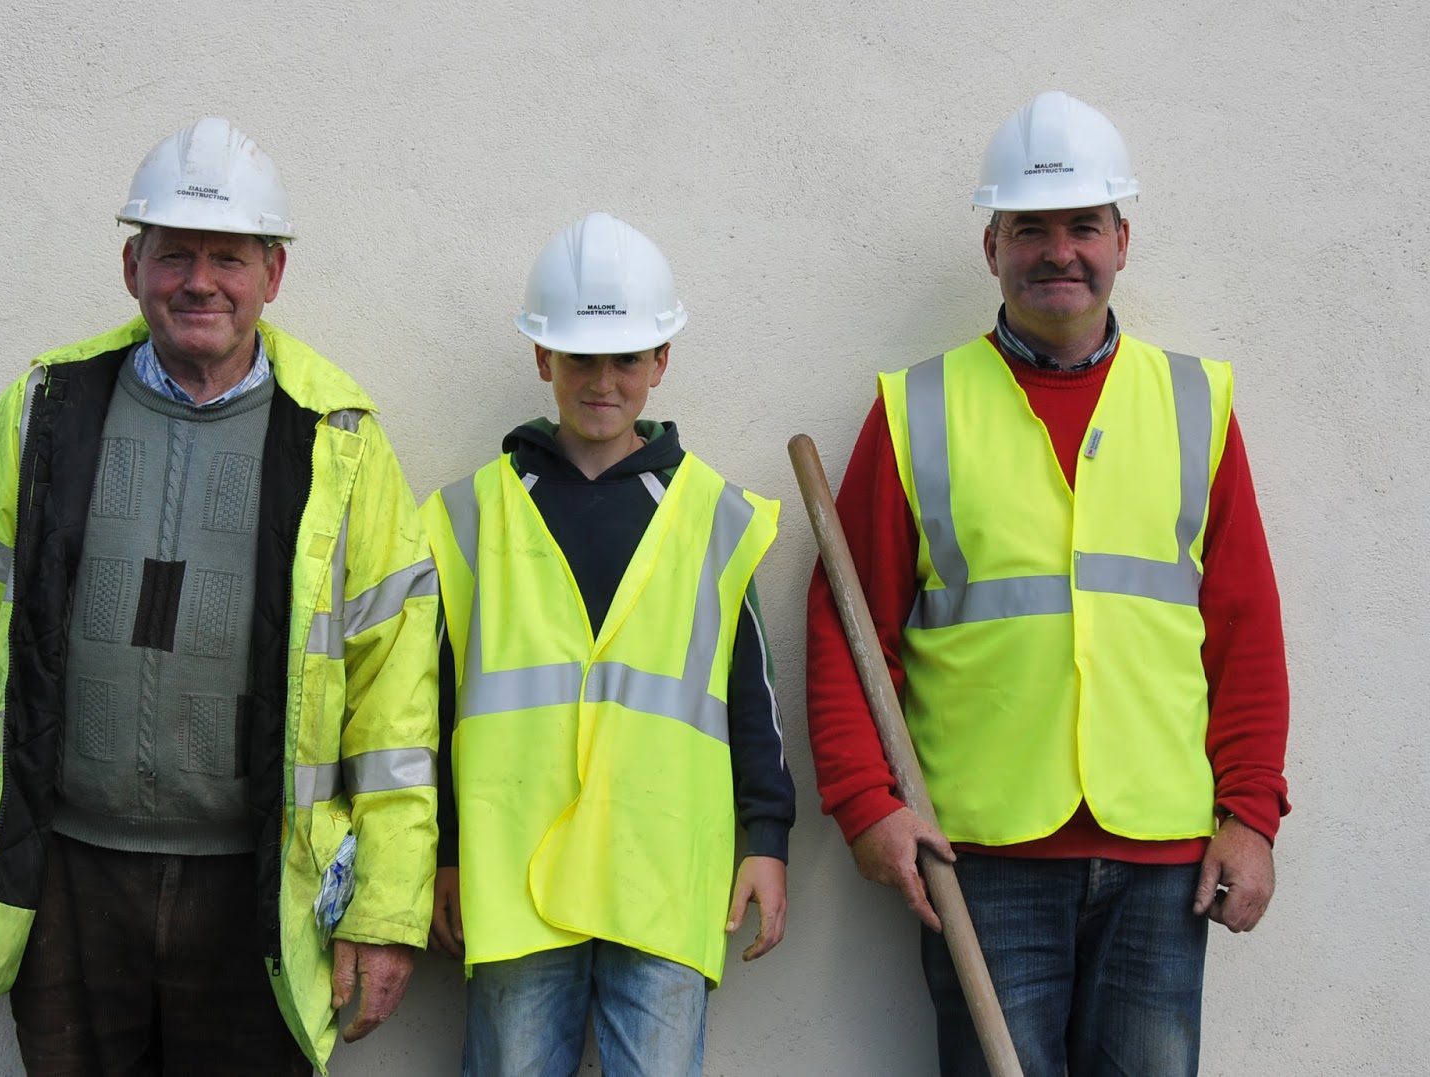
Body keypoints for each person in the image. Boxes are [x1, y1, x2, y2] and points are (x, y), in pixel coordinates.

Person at [0, 117, 439, 1076]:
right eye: (173, 253)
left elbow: (396, 698)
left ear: (273, 275)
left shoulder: (339, 443)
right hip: (62, 876)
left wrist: (388, 913)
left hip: (258, 888)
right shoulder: (42, 412)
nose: (200, 280)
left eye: (228, 257)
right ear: (131, 265)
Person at [805, 91, 1290, 1076]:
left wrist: (1250, 814)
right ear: (992, 247)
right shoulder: (917, 411)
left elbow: (1243, 628)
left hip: (1162, 857)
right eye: (1031, 229)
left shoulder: (1194, 405)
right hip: (981, 858)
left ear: (1122, 239)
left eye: (1083, 227)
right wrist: (867, 803)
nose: (1058, 252)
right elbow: (845, 633)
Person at [420, 212, 795, 1076]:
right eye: (581, 358)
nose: (602, 379)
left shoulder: (710, 515)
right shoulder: (473, 515)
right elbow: (434, 701)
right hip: (509, 876)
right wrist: (441, 852)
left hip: (660, 868)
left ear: (661, 361)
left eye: (626, 358)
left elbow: (752, 698)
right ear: (542, 358)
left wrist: (766, 838)